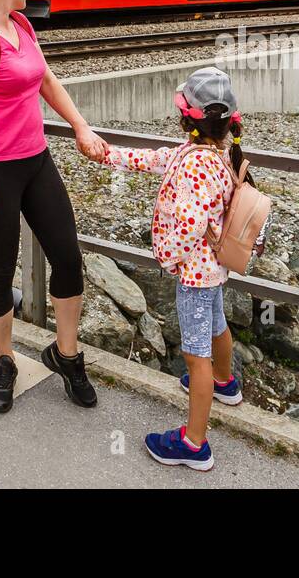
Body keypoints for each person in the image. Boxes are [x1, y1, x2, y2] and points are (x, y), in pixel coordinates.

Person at [0, 0, 108, 413]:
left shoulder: (21, 24)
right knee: (0, 267)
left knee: (67, 255)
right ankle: (4, 360)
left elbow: (46, 80)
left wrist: (80, 125)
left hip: (36, 159)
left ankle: (66, 355)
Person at [85, 67, 248, 471]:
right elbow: (154, 159)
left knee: (196, 357)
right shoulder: (217, 154)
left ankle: (194, 444)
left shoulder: (192, 163)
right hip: (215, 269)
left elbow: (190, 224)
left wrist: (168, 255)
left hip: (194, 273)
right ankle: (226, 385)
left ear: (185, 117)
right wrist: (109, 154)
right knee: (217, 326)